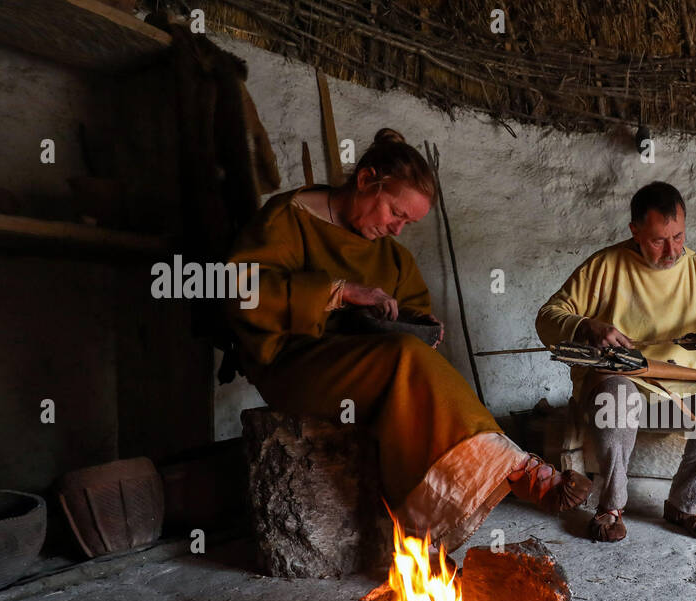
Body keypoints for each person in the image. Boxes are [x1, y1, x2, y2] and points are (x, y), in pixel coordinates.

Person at [224, 128, 589, 549]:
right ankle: (516, 471)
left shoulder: (393, 254)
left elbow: (411, 304)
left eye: (407, 223)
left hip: (369, 365)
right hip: (293, 365)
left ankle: (423, 536)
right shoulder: (288, 217)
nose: (397, 229)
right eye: (394, 213)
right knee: (402, 357)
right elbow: (239, 291)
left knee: (410, 364)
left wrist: (421, 322)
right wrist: (338, 292)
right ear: (365, 181)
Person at [536, 181, 696, 543]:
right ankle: (610, 506)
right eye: (658, 240)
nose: (672, 250)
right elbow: (548, 316)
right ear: (635, 231)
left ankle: (684, 504)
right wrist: (585, 326)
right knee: (615, 396)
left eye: (678, 236)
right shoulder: (605, 267)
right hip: (627, 399)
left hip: (679, 404)